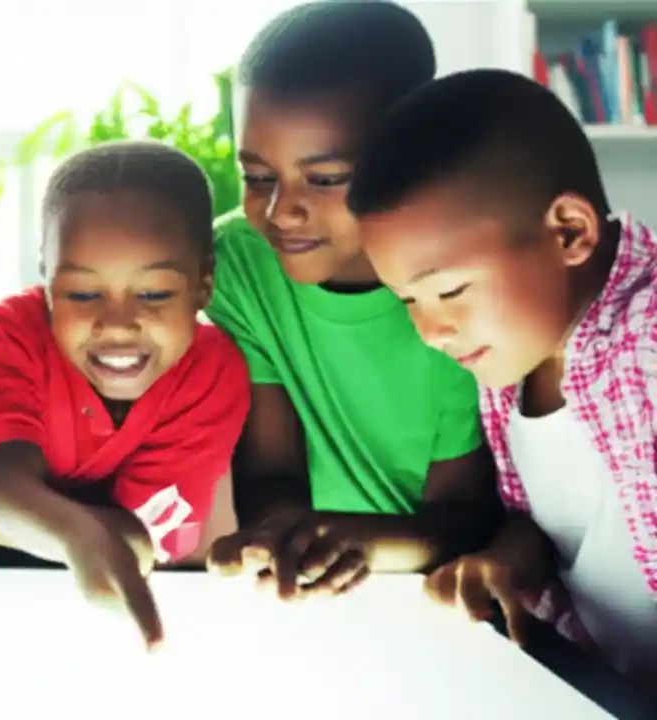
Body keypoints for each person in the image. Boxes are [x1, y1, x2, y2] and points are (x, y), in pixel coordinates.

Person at [0, 141, 250, 649]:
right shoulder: (16, 330)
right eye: (82, 294)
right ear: (45, 280)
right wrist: (85, 536)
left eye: (154, 293)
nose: (117, 324)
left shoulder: (212, 372)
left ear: (203, 286)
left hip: (89, 601)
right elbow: (6, 485)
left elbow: (138, 542)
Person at [351, 68, 657, 684]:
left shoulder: (646, 337)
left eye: (450, 290)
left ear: (569, 231)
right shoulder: (509, 362)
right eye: (408, 300)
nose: (430, 330)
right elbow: (561, 521)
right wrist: (507, 562)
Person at [204, 1, 497, 599]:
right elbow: (271, 468)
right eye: (259, 177)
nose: (282, 210)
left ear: (405, 157)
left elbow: (464, 517)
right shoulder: (241, 262)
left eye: (325, 178)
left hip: (444, 598)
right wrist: (287, 535)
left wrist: (359, 543)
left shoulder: (457, 286)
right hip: (315, 596)